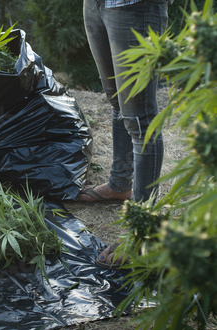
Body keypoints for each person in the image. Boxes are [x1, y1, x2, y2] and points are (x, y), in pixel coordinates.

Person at [80, 0, 170, 267]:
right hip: (95, 4)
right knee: (117, 101)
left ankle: (143, 230)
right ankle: (120, 185)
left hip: (135, 5)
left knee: (140, 119)